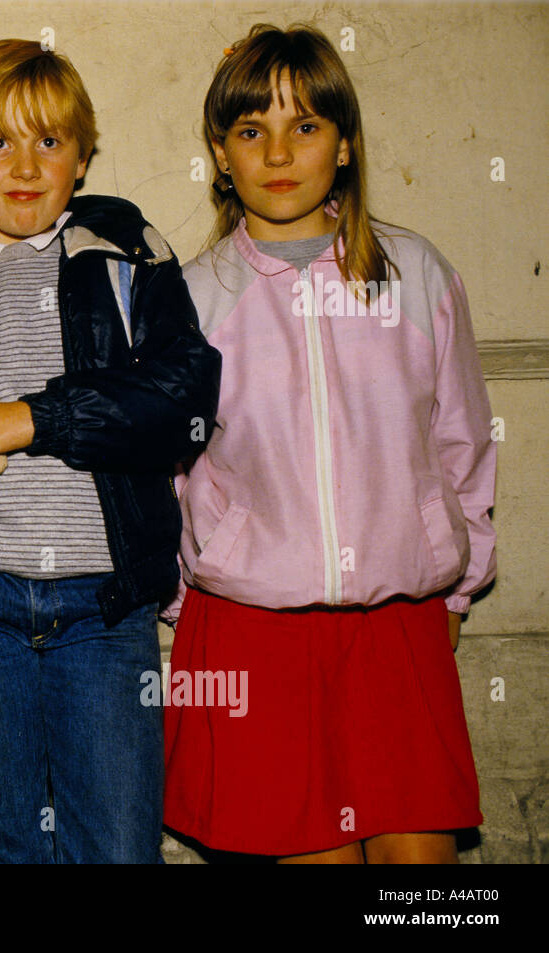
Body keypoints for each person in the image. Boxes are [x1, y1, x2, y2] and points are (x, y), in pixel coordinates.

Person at [0, 39, 221, 863]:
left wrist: (29, 420)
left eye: (49, 141)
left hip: (103, 607)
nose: (25, 165)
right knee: (0, 839)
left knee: (118, 845)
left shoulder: (123, 250)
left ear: (83, 154)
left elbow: (184, 396)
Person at [163, 24, 494, 863]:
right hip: (254, 632)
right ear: (220, 152)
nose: (279, 151)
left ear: (344, 143)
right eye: (251, 130)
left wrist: (457, 586)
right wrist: (182, 606)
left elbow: (463, 441)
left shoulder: (418, 275)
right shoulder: (191, 300)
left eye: (305, 126)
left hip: (398, 628)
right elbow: (166, 473)